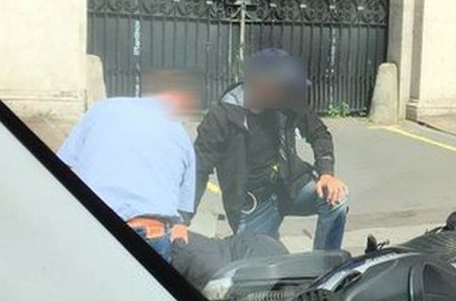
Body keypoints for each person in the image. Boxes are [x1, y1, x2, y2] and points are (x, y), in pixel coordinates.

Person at [193, 49, 349, 250]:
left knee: (337, 199)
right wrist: (181, 219)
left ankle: (324, 265)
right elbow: (198, 168)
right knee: (264, 264)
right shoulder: (223, 117)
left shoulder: (287, 101)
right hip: (253, 206)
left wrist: (327, 174)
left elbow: (319, 133)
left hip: (291, 187)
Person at [57, 70, 199, 261]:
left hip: (92, 228)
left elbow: (63, 167)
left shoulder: (101, 110)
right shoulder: (181, 136)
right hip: (151, 233)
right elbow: (183, 212)